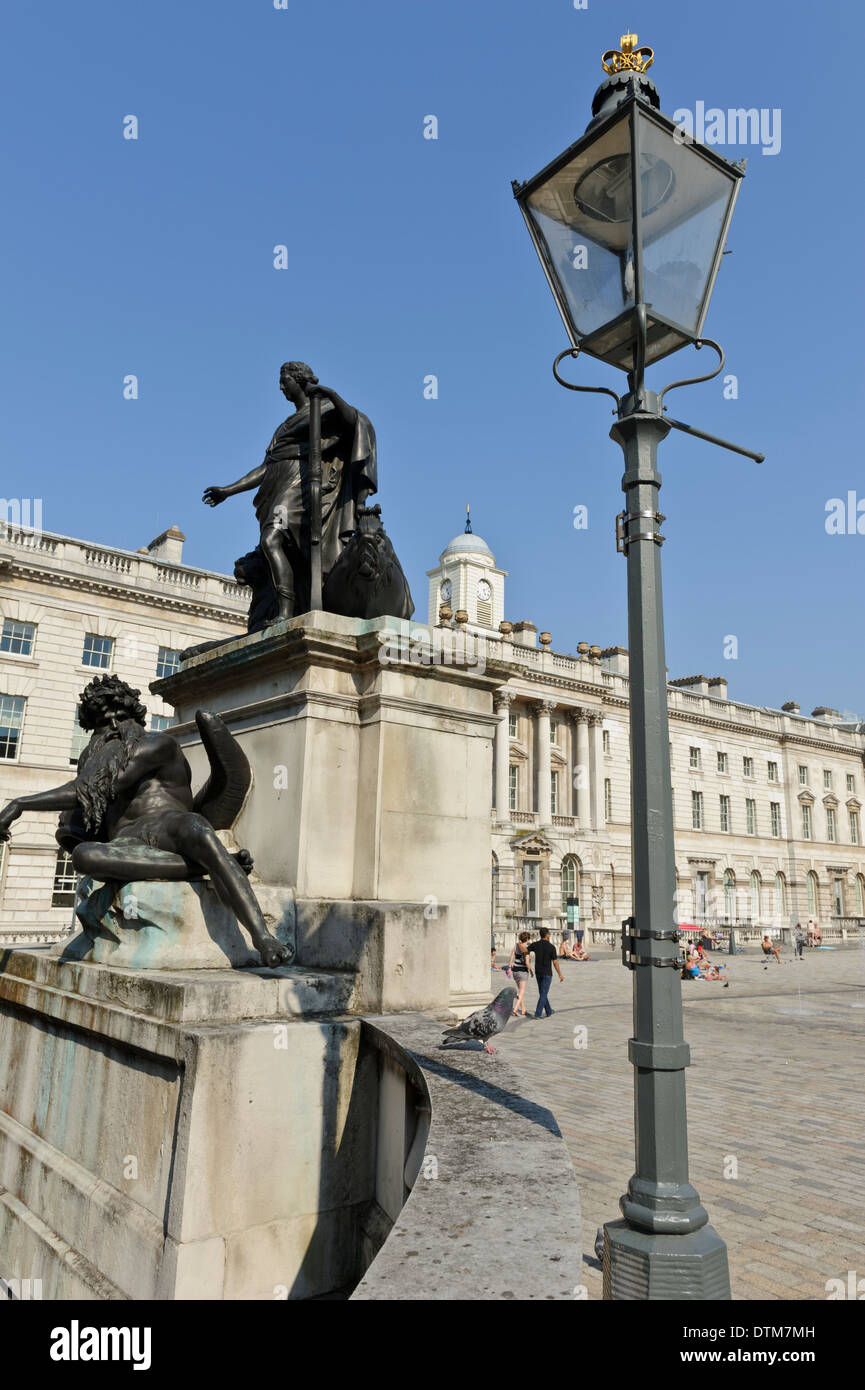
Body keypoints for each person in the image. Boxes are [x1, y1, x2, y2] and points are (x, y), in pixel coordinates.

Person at [203, 362, 377, 621]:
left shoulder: (324, 409)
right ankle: (290, 605)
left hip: (301, 487)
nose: (282, 386)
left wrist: (329, 394)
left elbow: (355, 422)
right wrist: (228, 490)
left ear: (300, 381)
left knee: (271, 539)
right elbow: (264, 469)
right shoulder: (284, 426)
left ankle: (286, 610)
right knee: (281, 546)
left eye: (286, 381)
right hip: (277, 485)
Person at [528, 927, 564, 1018]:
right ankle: (538, 1013)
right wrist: (560, 974)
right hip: (547, 973)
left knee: (542, 993)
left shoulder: (535, 944)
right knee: (543, 994)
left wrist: (519, 944)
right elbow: (555, 962)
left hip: (538, 972)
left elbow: (525, 951)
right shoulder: (551, 947)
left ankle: (549, 1011)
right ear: (547, 934)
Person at [508, 931, 533, 1016]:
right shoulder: (526, 948)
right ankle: (515, 1009)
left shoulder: (516, 945)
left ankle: (523, 1009)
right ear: (527, 939)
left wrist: (510, 963)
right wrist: (531, 971)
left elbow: (512, 955)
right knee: (522, 991)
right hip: (522, 971)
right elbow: (527, 962)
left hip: (515, 970)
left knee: (520, 991)